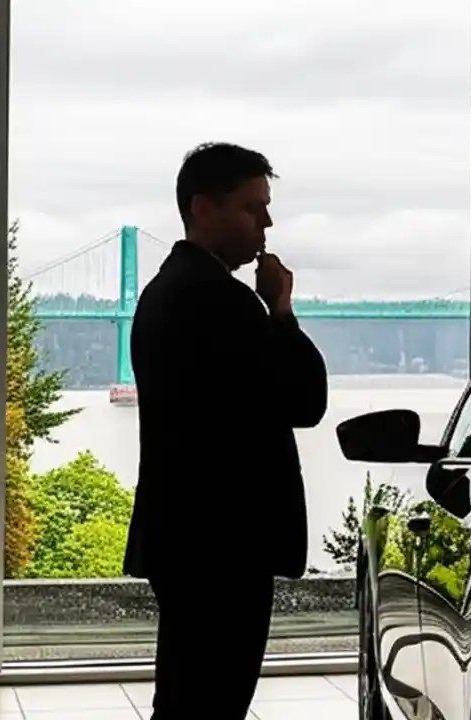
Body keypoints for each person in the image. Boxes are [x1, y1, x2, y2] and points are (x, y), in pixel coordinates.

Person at [123, 142, 329, 719]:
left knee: (189, 697)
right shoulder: (220, 302)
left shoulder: (166, 291)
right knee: (210, 701)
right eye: (252, 207)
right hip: (223, 545)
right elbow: (306, 399)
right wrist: (281, 310)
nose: (267, 221)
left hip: (187, 539)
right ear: (203, 207)